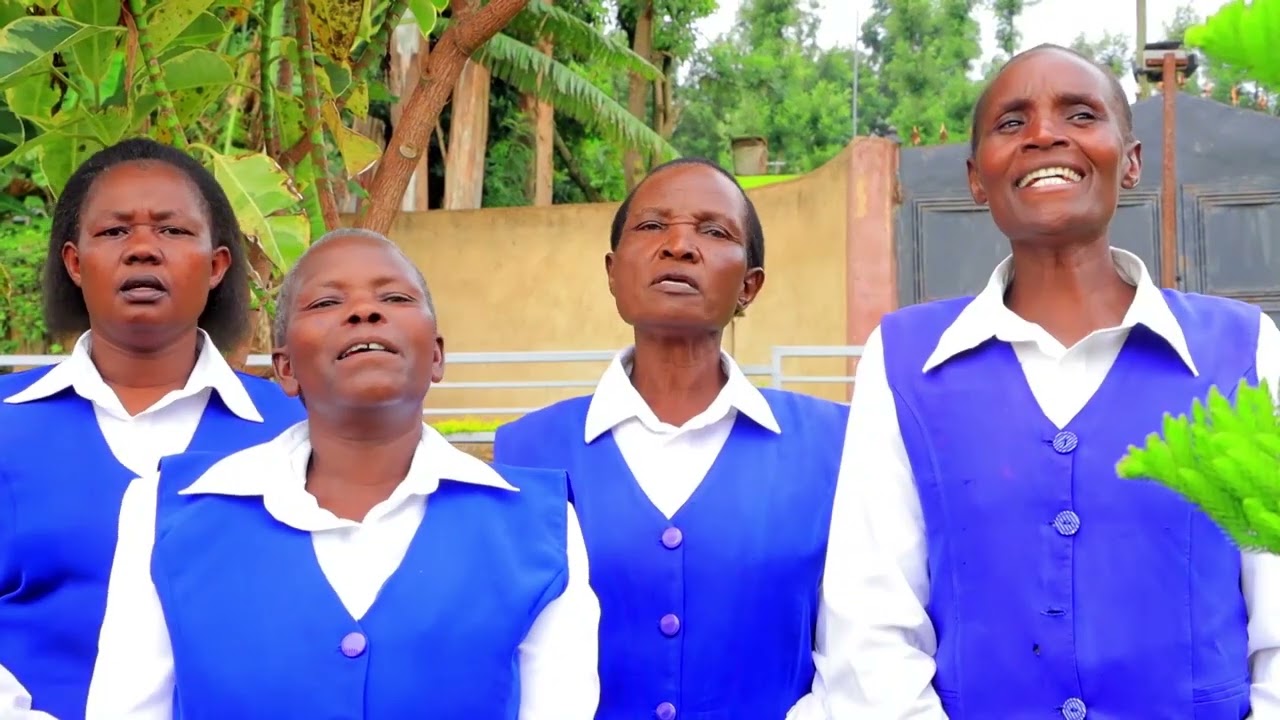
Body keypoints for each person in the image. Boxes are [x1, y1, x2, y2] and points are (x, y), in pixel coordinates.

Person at [816, 44, 1280, 718]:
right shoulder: (903, 361)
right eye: (1011, 123)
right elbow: (870, 624)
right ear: (977, 179)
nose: (1043, 134)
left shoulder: (1243, 350)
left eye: (1081, 115)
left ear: (1130, 160)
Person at [84, 229, 600, 719]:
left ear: (437, 356)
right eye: (327, 302)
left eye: (395, 298)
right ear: (285, 369)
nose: (365, 311)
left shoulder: (539, 527)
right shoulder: (167, 513)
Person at [493, 158, 849, 719]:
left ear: (749, 285)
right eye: (652, 226)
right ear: (613, 273)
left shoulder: (834, 444)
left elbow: (859, 653)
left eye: (714, 231)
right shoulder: (524, 453)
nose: (679, 246)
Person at [0, 138, 303, 719]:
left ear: (216, 266)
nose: (142, 249)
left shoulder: (295, 432)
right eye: (115, 231)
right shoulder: (6, 423)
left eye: (172, 230)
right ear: (74, 263)